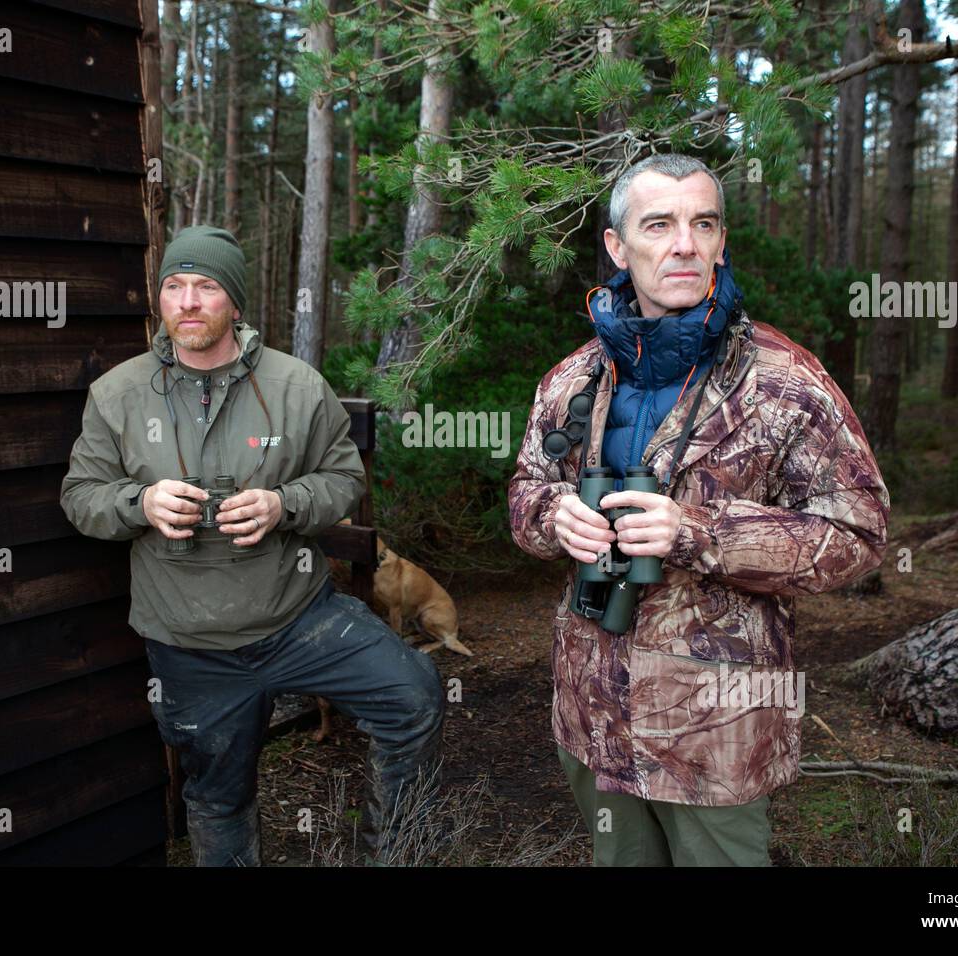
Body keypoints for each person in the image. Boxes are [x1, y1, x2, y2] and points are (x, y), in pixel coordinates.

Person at [508, 154, 890, 866]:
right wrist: (555, 514)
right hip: (591, 719)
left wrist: (699, 533)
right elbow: (526, 490)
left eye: (702, 223)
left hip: (717, 736)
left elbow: (859, 534)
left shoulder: (785, 381)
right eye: (660, 224)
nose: (684, 243)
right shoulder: (570, 380)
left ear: (720, 242)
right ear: (619, 248)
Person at [60, 225, 444, 866]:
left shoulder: (296, 386)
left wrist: (283, 505)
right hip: (189, 641)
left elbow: (344, 478)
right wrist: (140, 503)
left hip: (300, 619)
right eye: (174, 286)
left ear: (234, 302)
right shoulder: (118, 394)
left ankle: (395, 854)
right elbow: (81, 497)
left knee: (413, 694)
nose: (187, 301)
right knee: (218, 793)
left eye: (206, 287)